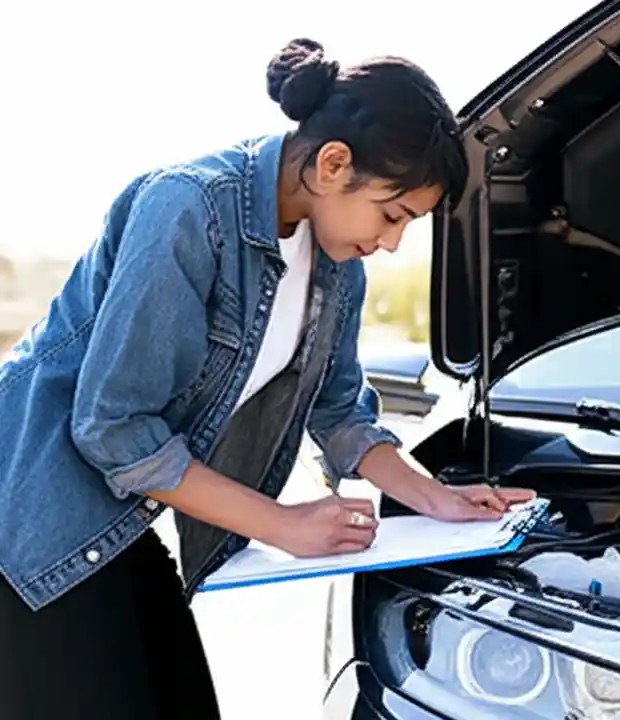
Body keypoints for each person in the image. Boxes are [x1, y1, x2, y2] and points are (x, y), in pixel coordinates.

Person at [0, 38, 534, 719]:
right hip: (27, 525)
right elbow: (114, 429)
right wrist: (283, 524)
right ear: (334, 163)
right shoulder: (187, 210)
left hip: (118, 520)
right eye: (393, 214)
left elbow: (340, 411)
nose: (394, 240)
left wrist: (437, 500)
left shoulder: (337, 263)